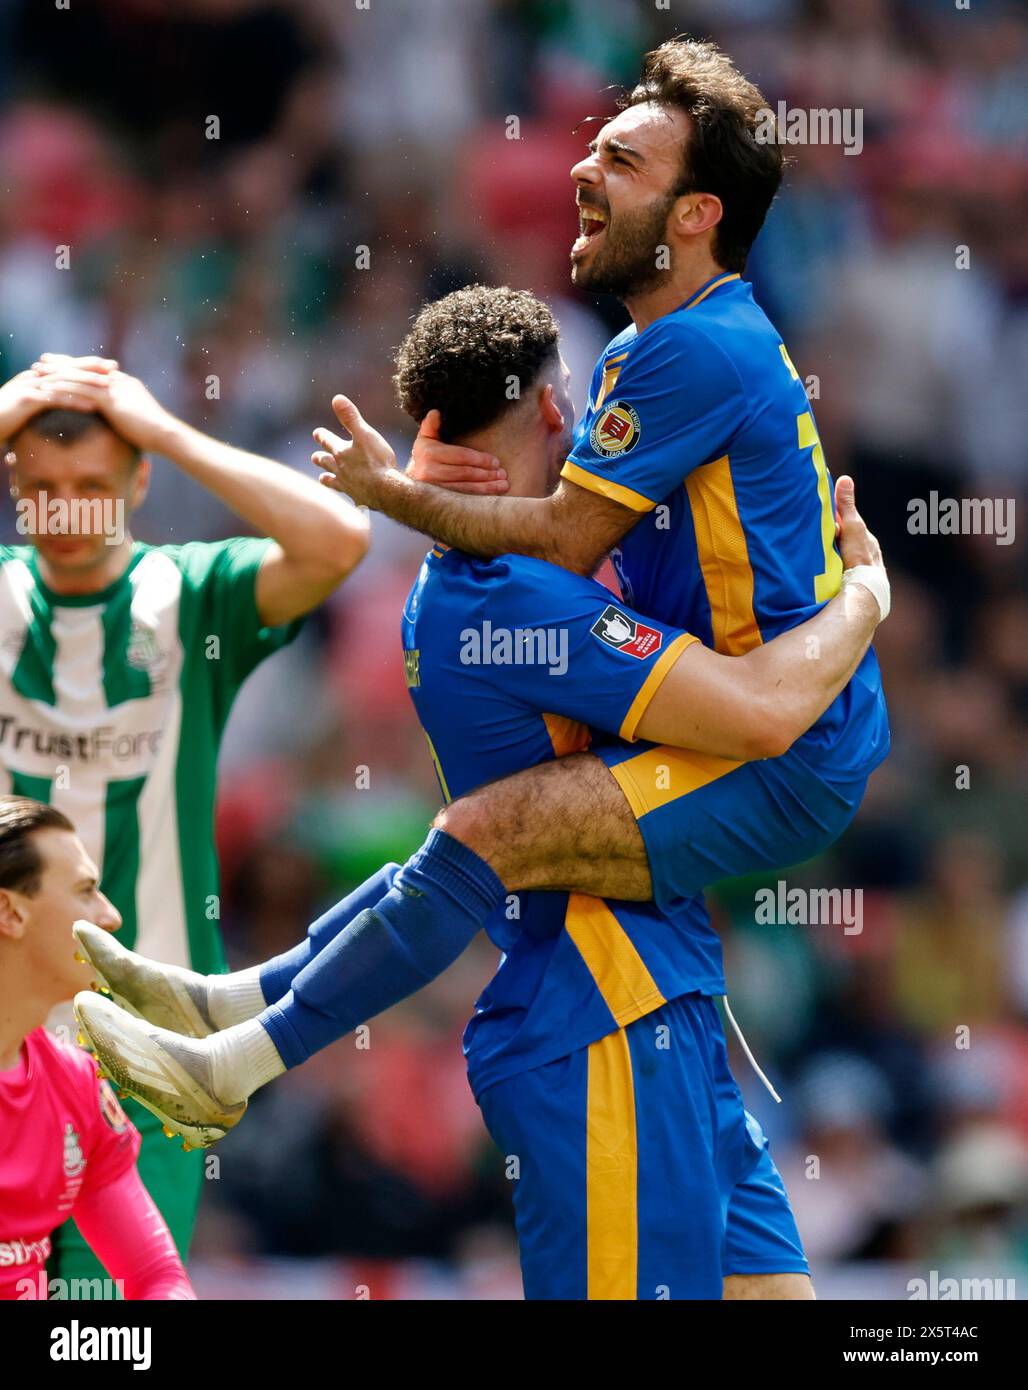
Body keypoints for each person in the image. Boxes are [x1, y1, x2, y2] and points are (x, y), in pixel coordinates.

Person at [74, 285, 889, 1299]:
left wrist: (419, 493)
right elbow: (758, 710)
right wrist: (862, 598)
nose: (598, 430)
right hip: (602, 1017)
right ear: (551, 411)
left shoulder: (460, 579)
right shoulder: (526, 598)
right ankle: (240, 1044)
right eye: (579, 407)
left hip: (665, 1008)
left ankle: (236, 1012)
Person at [0, 353, 369, 1293]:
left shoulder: (187, 593)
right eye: (41, 488)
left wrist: (160, 423)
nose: (67, 512)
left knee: (109, 1321)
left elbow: (338, 537)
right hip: (8, 1033)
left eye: (93, 485)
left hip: (144, 1049)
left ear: (138, 481)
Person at [0, 795, 193, 1301]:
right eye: (86, 891)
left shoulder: (77, 1086)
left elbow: (157, 1277)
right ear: (8, 911)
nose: (111, 916)